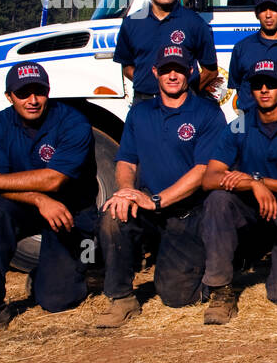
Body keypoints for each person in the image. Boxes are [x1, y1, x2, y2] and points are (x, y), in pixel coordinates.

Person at [0, 63, 100, 340]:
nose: (32, 100)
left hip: (71, 208)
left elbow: (54, 180)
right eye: (23, 93)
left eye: (39, 92)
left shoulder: (73, 122)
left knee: (58, 300)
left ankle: (60, 272)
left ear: (48, 92)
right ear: (9, 96)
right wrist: (40, 200)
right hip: (25, 206)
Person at [96, 46, 226, 328]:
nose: (172, 75)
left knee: (178, 297)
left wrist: (157, 200)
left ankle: (196, 270)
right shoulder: (140, 113)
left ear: (190, 72)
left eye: (178, 69)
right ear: (155, 72)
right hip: (147, 207)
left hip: (186, 214)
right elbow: (126, 161)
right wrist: (126, 191)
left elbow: (203, 170)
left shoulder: (207, 113)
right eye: (166, 69)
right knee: (113, 213)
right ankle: (122, 299)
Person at [199, 59, 277, 326]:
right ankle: (221, 290)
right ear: (251, 91)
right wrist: (253, 185)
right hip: (253, 211)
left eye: (271, 84)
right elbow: (209, 178)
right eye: (258, 85)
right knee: (218, 200)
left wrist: (260, 180)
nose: (264, 90)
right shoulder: (240, 125)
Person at [112, 0, 218, 102]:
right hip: (144, 103)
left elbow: (211, 71)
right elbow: (127, 67)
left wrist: (189, 92)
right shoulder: (131, 23)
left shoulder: (194, 23)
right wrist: (147, 83)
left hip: (182, 105)